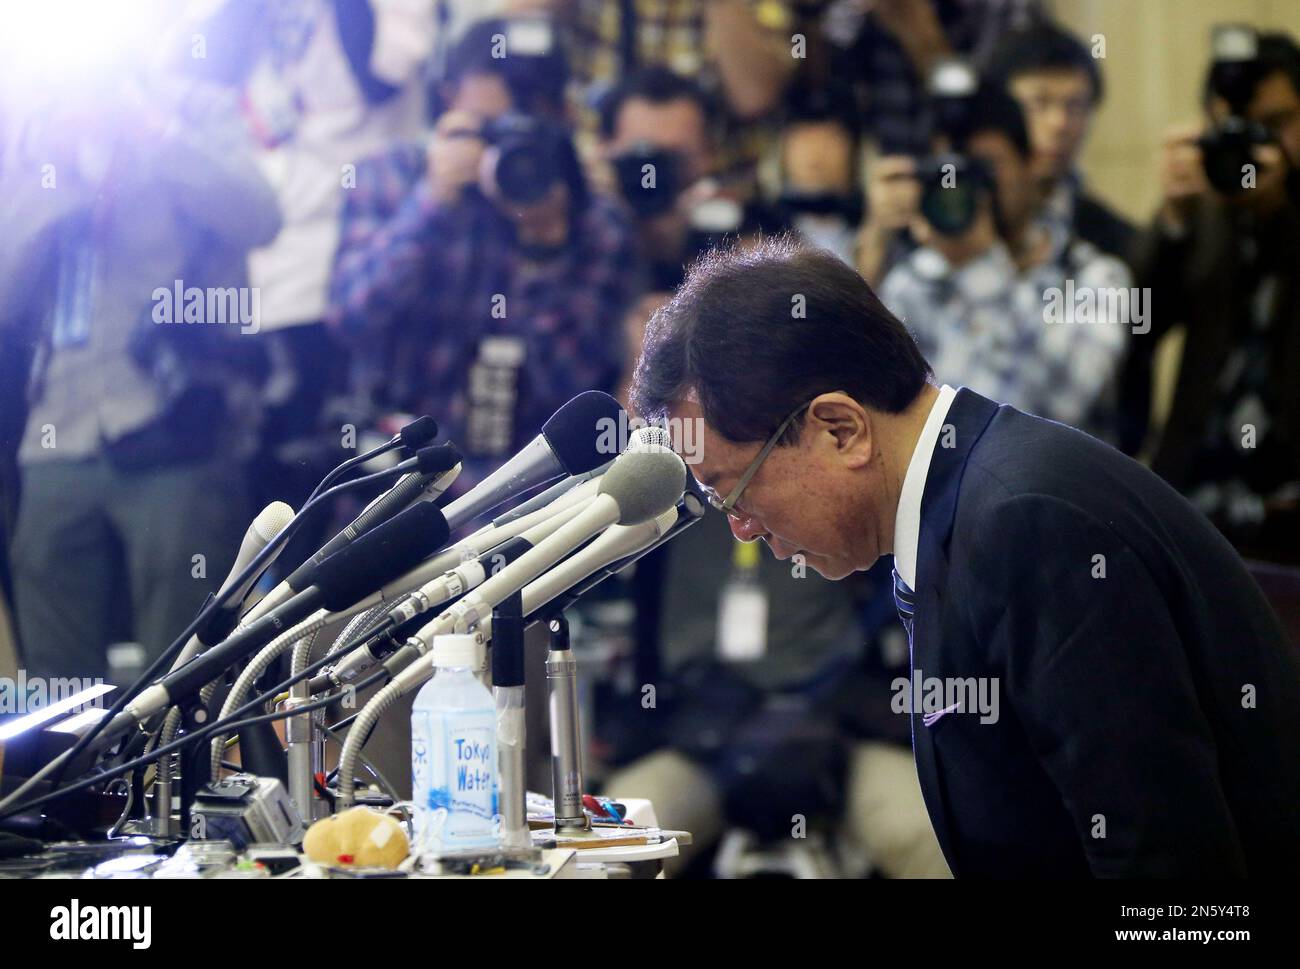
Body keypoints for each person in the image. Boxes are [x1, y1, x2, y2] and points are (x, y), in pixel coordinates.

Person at [630, 235, 1300, 877]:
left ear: (840, 428)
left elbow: (1166, 870)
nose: (742, 529)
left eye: (733, 491)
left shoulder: (1029, 522)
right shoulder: (957, 500)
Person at [0, 42, 281, 680]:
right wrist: (57, 172)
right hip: (56, 438)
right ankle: (65, 784)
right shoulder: (34, 135)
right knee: (52, 678)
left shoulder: (192, 106)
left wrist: (152, 131)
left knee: (180, 664)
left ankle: (176, 782)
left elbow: (258, 213)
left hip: (172, 426)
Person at [327, 17, 638, 492]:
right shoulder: (390, 180)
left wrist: (546, 245)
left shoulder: (589, 218)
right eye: (495, 128)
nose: (514, 148)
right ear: (449, 97)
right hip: (391, 477)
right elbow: (351, 319)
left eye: (530, 128)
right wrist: (431, 204)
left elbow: (574, 389)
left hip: (525, 491)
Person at [1131, 29, 1300, 565]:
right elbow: (1136, 328)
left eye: (1275, 125)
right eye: (1237, 127)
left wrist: (1282, 207)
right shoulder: (1204, 217)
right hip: (1196, 502)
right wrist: (1173, 222)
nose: (1257, 145)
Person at [880, 86, 1130, 443]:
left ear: (1031, 165)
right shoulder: (912, 283)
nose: (964, 187)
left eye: (984, 167)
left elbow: (1033, 425)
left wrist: (979, 266)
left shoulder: (1095, 280)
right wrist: (875, 237)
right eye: (950, 171)